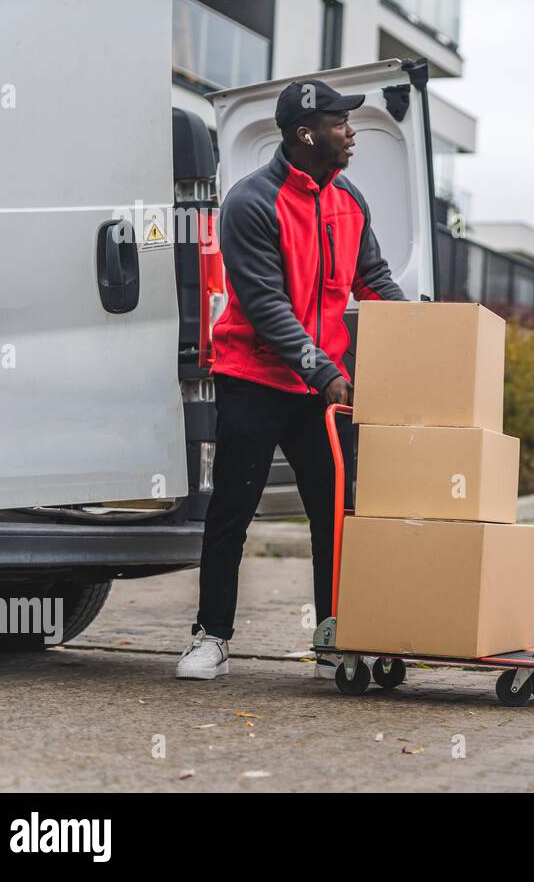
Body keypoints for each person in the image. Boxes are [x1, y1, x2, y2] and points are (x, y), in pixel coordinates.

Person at [176, 80, 405, 680]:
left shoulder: (349, 200)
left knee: (336, 515)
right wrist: (325, 370)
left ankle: (334, 636)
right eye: (339, 123)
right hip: (254, 379)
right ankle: (211, 636)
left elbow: (374, 279)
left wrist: (426, 334)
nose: (351, 132)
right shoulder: (252, 202)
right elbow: (265, 304)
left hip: (319, 390)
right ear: (306, 133)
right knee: (233, 509)